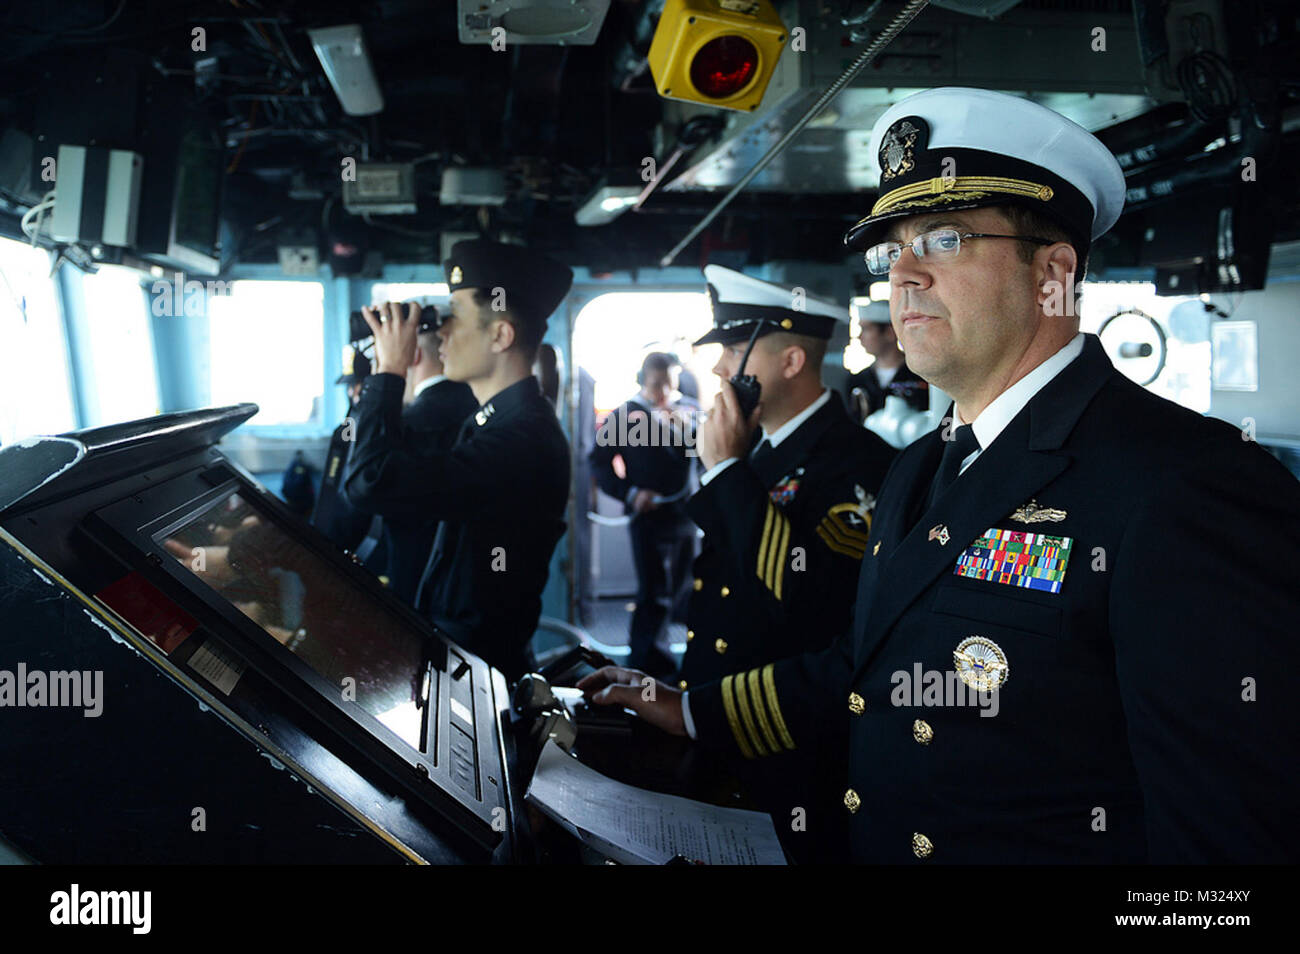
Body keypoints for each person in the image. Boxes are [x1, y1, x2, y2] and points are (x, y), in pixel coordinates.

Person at [580, 87, 1300, 863]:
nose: (903, 277)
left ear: (1053, 272)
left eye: (946, 238)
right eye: (893, 250)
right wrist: (690, 711)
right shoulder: (922, 466)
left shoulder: (1188, 487)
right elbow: (870, 670)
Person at [682, 265, 898, 861]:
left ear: (792, 362)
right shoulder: (764, 450)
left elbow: (814, 601)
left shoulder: (859, 466)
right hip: (722, 727)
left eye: (732, 350)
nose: (722, 369)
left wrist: (726, 471)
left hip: (789, 744)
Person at [343, 239, 573, 680]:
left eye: (453, 316)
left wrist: (390, 370)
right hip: (463, 660)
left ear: (501, 335)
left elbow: (370, 481)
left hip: (480, 668)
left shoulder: (522, 439)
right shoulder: (493, 422)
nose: (440, 332)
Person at [589, 352, 697, 677]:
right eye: (657, 383)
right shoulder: (625, 415)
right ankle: (645, 667)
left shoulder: (687, 410)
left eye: (670, 382)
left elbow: (702, 455)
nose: (664, 390)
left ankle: (682, 666)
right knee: (654, 591)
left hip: (685, 515)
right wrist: (631, 494)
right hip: (648, 517)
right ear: (642, 379)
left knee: (686, 588)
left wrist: (681, 427)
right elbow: (598, 462)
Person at [365, 309, 478, 606]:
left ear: (411, 356)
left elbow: (364, 484)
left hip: (413, 586)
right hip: (464, 588)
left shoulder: (408, 422)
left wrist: (388, 371)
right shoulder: (480, 409)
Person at [310, 348, 373, 552]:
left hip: (351, 510)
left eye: (356, 385)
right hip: (338, 504)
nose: (352, 392)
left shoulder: (367, 418)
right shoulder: (353, 416)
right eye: (351, 386)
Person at [846, 299, 929, 421]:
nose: (859, 337)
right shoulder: (857, 381)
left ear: (890, 332)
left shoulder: (922, 375)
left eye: (866, 329)